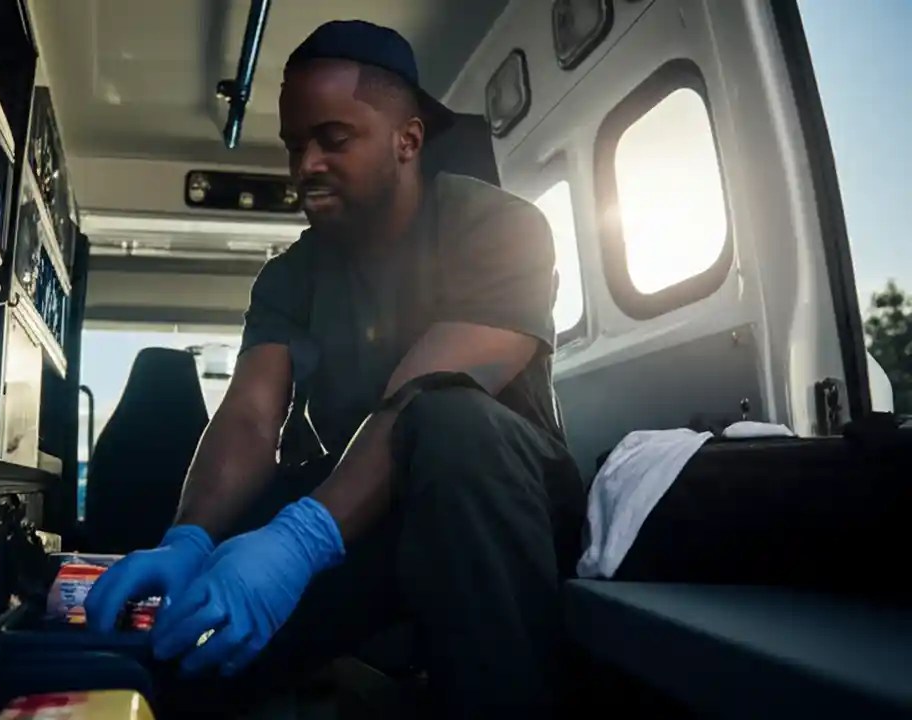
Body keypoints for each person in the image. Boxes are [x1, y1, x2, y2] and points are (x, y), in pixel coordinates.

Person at [84, 19, 587, 718]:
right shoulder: (290, 277)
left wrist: (301, 540)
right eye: (295, 146)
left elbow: (420, 396)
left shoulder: (500, 227)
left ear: (407, 140)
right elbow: (252, 415)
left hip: (496, 505)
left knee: (448, 421)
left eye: (332, 139)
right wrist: (193, 536)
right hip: (365, 510)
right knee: (192, 656)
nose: (303, 167)